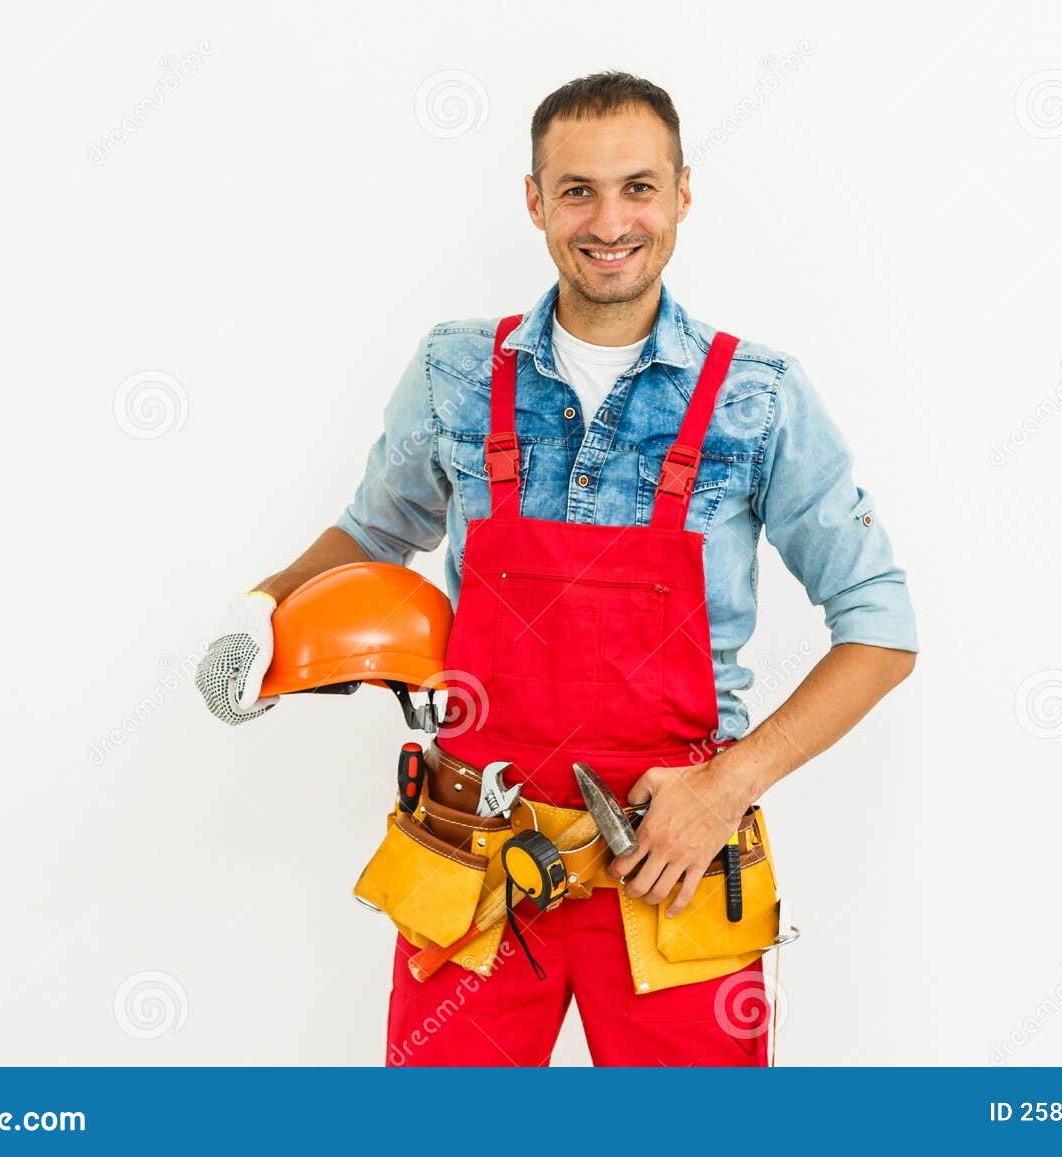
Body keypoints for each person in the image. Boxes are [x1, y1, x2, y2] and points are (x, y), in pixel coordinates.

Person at [196, 70, 918, 1066]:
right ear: (534, 199)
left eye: (638, 187)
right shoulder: (457, 371)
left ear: (681, 194)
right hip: (477, 863)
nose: (609, 219)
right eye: (577, 189)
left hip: (675, 874)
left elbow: (880, 626)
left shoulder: (758, 398)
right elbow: (371, 533)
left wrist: (729, 786)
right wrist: (258, 612)